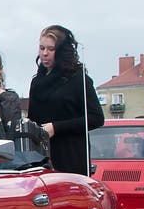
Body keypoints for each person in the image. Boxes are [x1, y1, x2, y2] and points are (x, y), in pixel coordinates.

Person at [28, 25, 104, 175]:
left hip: (71, 157)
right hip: (41, 159)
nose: (44, 53)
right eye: (42, 48)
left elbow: (96, 118)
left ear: (62, 51)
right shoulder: (37, 81)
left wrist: (56, 127)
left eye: (51, 49)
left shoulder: (78, 79)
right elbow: (33, 118)